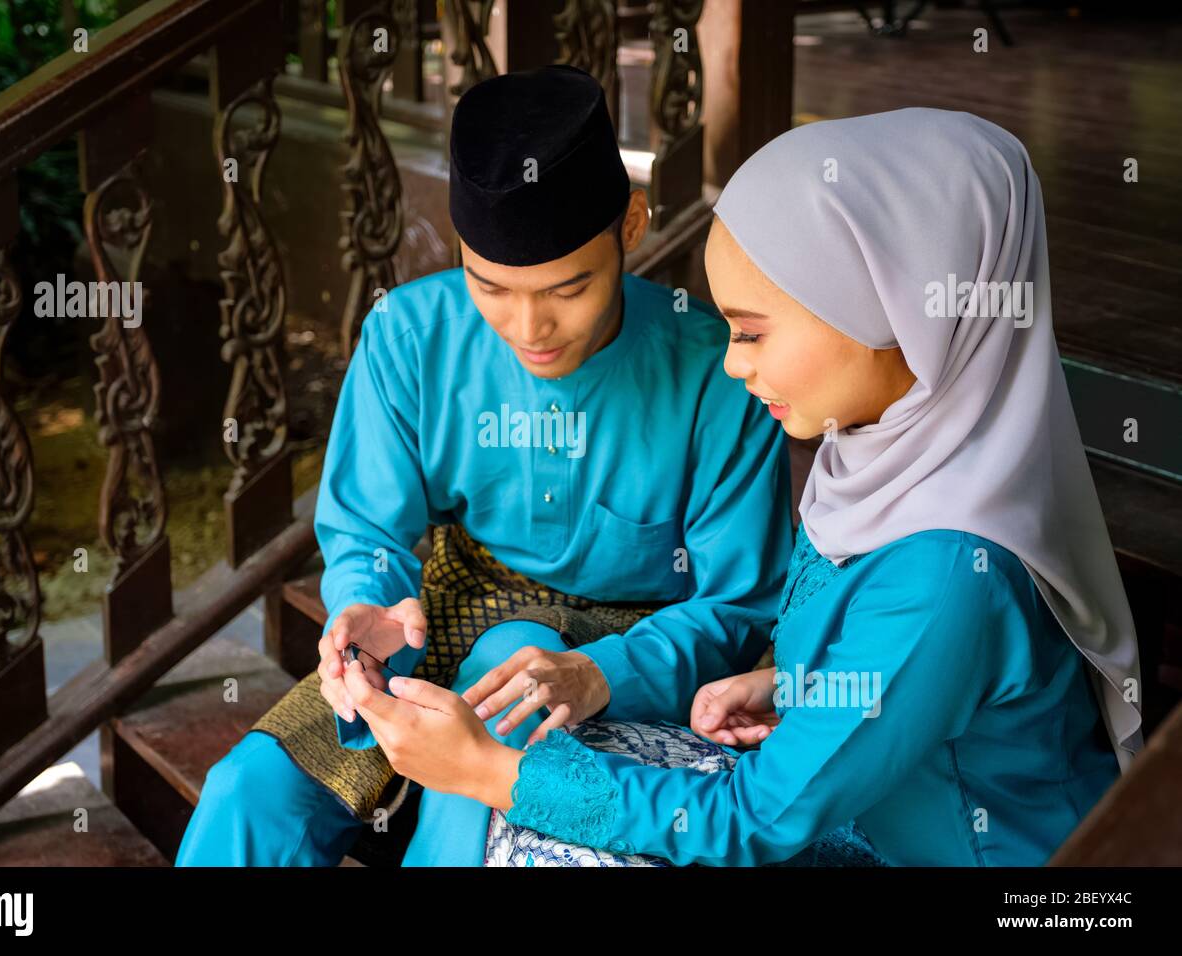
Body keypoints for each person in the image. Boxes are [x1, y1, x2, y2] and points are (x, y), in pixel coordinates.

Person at [343, 107, 1142, 866]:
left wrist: (486, 772)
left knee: (533, 814)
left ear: (893, 310)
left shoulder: (947, 570)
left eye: (752, 331)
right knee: (543, 766)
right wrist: (793, 685)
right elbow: (902, 671)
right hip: (852, 819)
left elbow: (756, 818)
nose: (729, 362)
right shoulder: (883, 467)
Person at [174, 64, 794, 866]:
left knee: (468, 810)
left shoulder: (719, 371)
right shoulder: (407, 335)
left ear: (631, 225)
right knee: (248, 795)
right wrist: (366, 606)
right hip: (455, 611)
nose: (529, 326)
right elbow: (365, 528)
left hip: (632, 646)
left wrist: (598, 674)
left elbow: (739, 606)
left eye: (569, 288)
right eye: (490, 287)